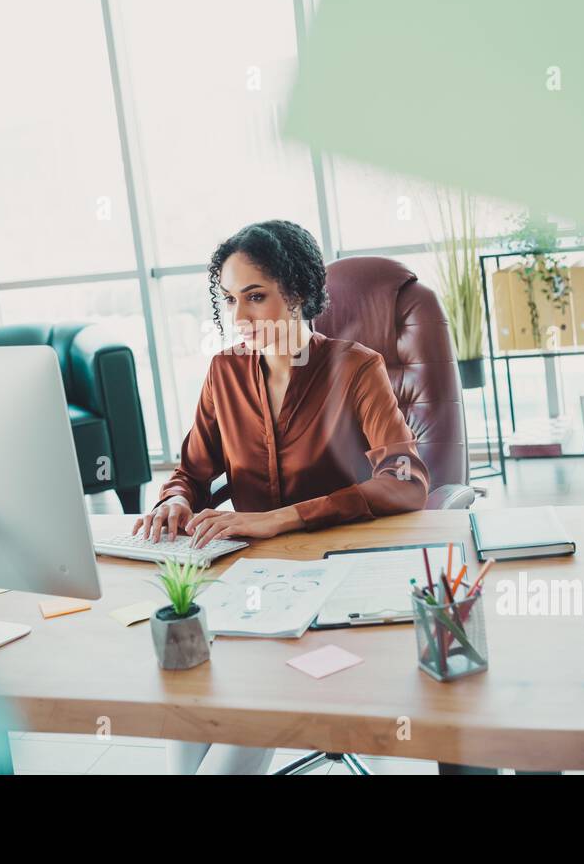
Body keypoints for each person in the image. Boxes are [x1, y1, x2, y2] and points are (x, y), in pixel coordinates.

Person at [132, 219, 431, 774]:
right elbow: (191, 474)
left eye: (255, 296)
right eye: (229, 299)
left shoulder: (355, 367)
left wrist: (282, 519)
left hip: (335, 585)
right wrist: (173, 500)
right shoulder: (224, 374)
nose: (239, 317)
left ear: (296, 292)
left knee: (234, 726)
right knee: (185, 721)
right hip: (247, 587)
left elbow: (406, 481)